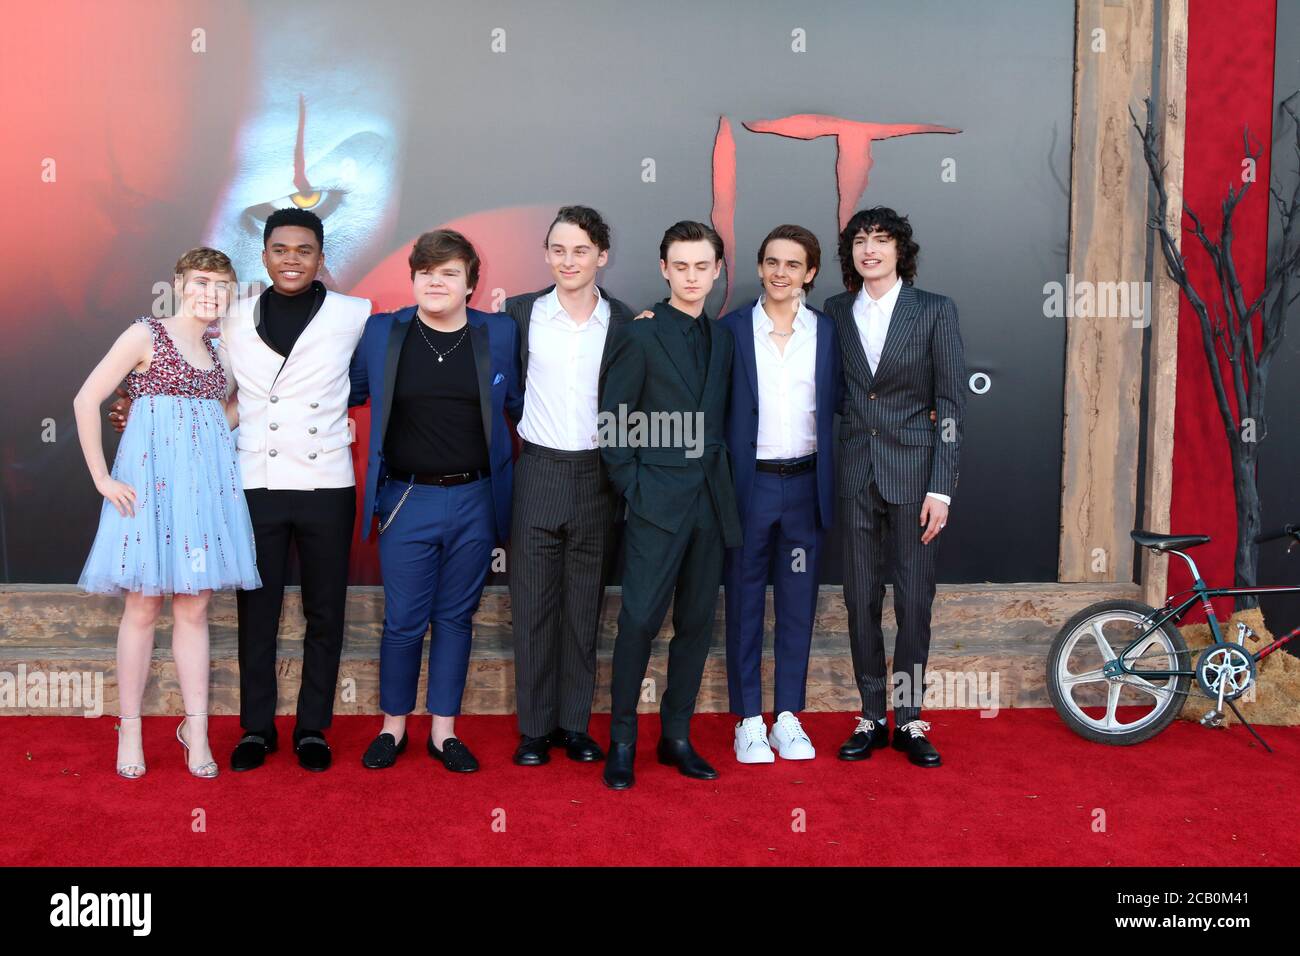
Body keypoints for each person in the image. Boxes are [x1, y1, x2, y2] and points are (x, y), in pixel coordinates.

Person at [111, 207, 371, 773]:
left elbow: (370, 383)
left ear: (322, 256)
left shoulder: (357, 314)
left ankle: (312, 730)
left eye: (304, 250)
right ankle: (256, 729)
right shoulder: (232, 319)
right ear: (265, 256)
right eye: (281, 249)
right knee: (259, 610)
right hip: (253, 480)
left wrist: (346, 421)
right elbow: (205, 398)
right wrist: (138, 415)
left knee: (326, 612)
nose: (292, 259)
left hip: (327, 480)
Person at [76, 247, 260, 779]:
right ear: (179, 283)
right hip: (148, 493)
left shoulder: (219, 347)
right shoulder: (145, 335)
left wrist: (253, 403)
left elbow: (218, 415)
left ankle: (196, 730)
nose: (211, 293)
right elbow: (87, 399)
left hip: (203, 496)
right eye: (202, 282)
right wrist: (102, 478)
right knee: (141, 606)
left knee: (195, 609)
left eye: (222, 285)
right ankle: (129, 729)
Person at [350, 230, 522, 773]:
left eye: (449, 272)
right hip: (406, 498)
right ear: (414, 278)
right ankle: (393, 727)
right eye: (426, 271)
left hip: (476, 496)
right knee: (403, 620)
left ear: (472, 282)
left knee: (455, 619)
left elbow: (519, 402)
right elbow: (339, 390)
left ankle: (444, 731)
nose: (435, 281)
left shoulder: (500, 333)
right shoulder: (382, 332)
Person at [598, 220, 741, 790]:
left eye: (701, 266)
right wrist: (636, 488)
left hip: (711, 501)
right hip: (656, 501)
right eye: (680, 266)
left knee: (698, 623)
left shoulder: (724, 338)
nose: (691, 276)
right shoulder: (640, 333)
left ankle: (676, 737)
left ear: (717, 270)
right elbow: (614, 420)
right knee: (637, 621)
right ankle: (624, 739)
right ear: (663, 269)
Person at [821, 207, 966, 767]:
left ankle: (909, 720)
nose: (870, 249)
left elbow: (949, 405)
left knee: (914, 601)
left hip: (916, 478)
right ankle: (869, 716)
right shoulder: (834, 311)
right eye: (860, 241)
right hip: (855, 472)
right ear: (850, 253)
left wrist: (943, 487)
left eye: (881, 240)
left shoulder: (933, 311)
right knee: (860, 599)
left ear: (900, 250)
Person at [502, 206, 634, 767]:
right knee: (532, 605)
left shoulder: (626, 322)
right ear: (546, 254)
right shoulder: (518, 315)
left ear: (601, 256)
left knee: (585, 608)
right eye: (558, 249)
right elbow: (506, 392)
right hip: (537, 469)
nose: (568, 261)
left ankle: (574, 725)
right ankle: (534, 730)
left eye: (580, 250)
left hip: (599, 476)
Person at [720, 225, 841, 763]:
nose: (780, 273)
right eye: (771, 262)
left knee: (797, 605)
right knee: (744, 603)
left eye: (792, 264)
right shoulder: (731, 330)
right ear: (760, 266)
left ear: (809, 273)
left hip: (806, 485)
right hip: (752, 486)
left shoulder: (830, 333)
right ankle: (748, 719)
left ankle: (787, 716)